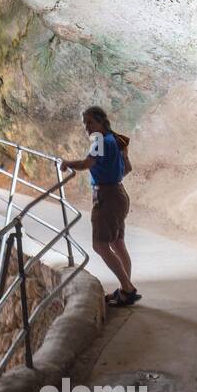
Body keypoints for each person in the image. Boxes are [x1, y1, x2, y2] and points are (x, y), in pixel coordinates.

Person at [61, 106, 140, 307]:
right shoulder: (115, 139)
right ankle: (125, 289)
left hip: (107, 197)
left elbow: (87, 164)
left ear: (101, 122)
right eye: (85, 123)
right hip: (119, 194)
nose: (87, 127)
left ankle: (128, 289)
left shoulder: (99, 141)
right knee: (118, 243)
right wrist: (112, 174)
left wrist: (67, 163)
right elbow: (128, 168)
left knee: (100, 245)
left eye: (90, 122)